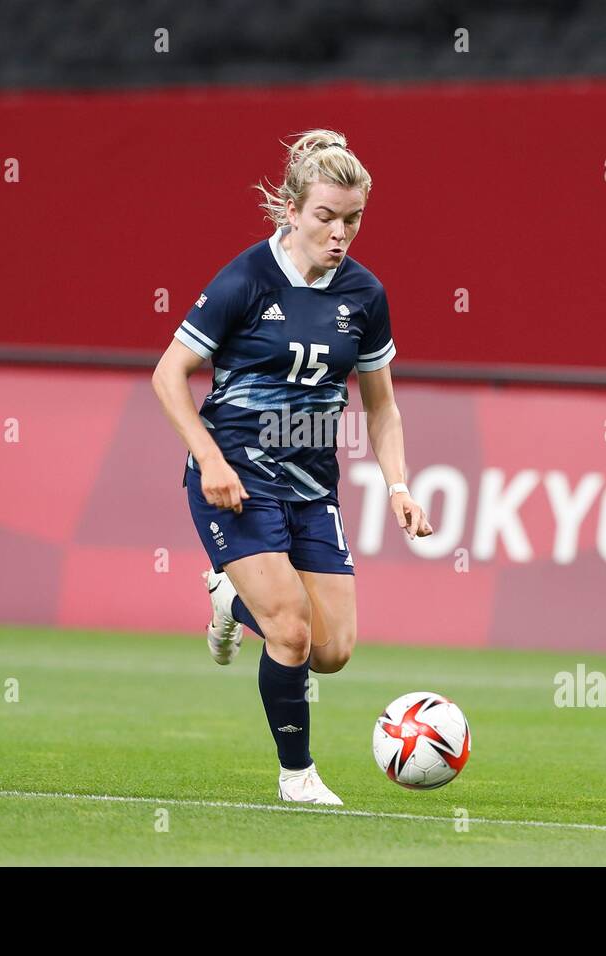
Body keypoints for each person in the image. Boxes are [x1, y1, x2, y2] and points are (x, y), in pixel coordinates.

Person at [151, 129, 432, 804]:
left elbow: (382, 406)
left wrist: (399, 484)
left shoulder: (364, 295)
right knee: (291, 630)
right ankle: (297, 776)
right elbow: (169, 374)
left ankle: (227, 599)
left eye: (353, 219)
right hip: (236, 479)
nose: (340, 233)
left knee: (332, 651)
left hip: (312, 485)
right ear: (292, 210)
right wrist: (209, 459)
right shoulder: (247, 278)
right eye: (326, 217)